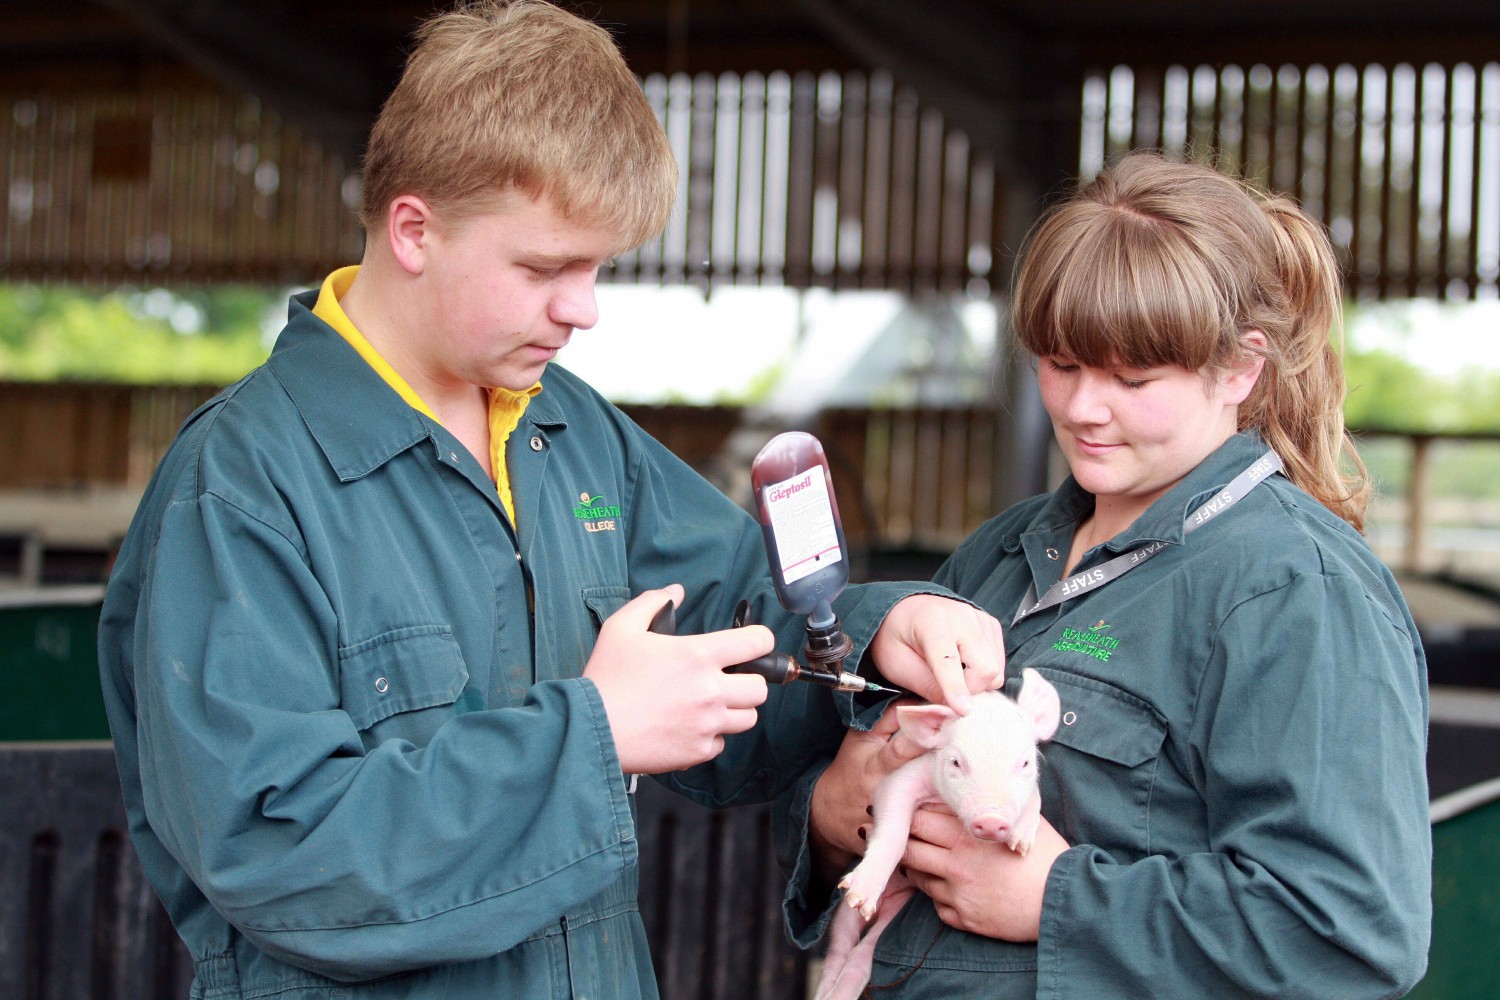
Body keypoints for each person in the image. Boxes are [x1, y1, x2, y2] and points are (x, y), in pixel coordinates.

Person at [95, 3, 1007, 997]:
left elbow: (740, 623)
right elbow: (278, 851)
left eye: (596, 266)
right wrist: (595, 737)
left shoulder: (568, 432)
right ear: (414, 230)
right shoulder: (243, 486)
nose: (584, 307)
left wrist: (876, 632)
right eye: (543, 268)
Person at [776, 150, 1432, 998]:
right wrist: (834, 817)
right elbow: (861, 796)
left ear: (1242, 367)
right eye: (1061, 363)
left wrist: (1060, 900)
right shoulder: (1002, 552)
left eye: (1132, 377)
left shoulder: (1296, 592)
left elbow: (1350, 933)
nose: (1084, 408)